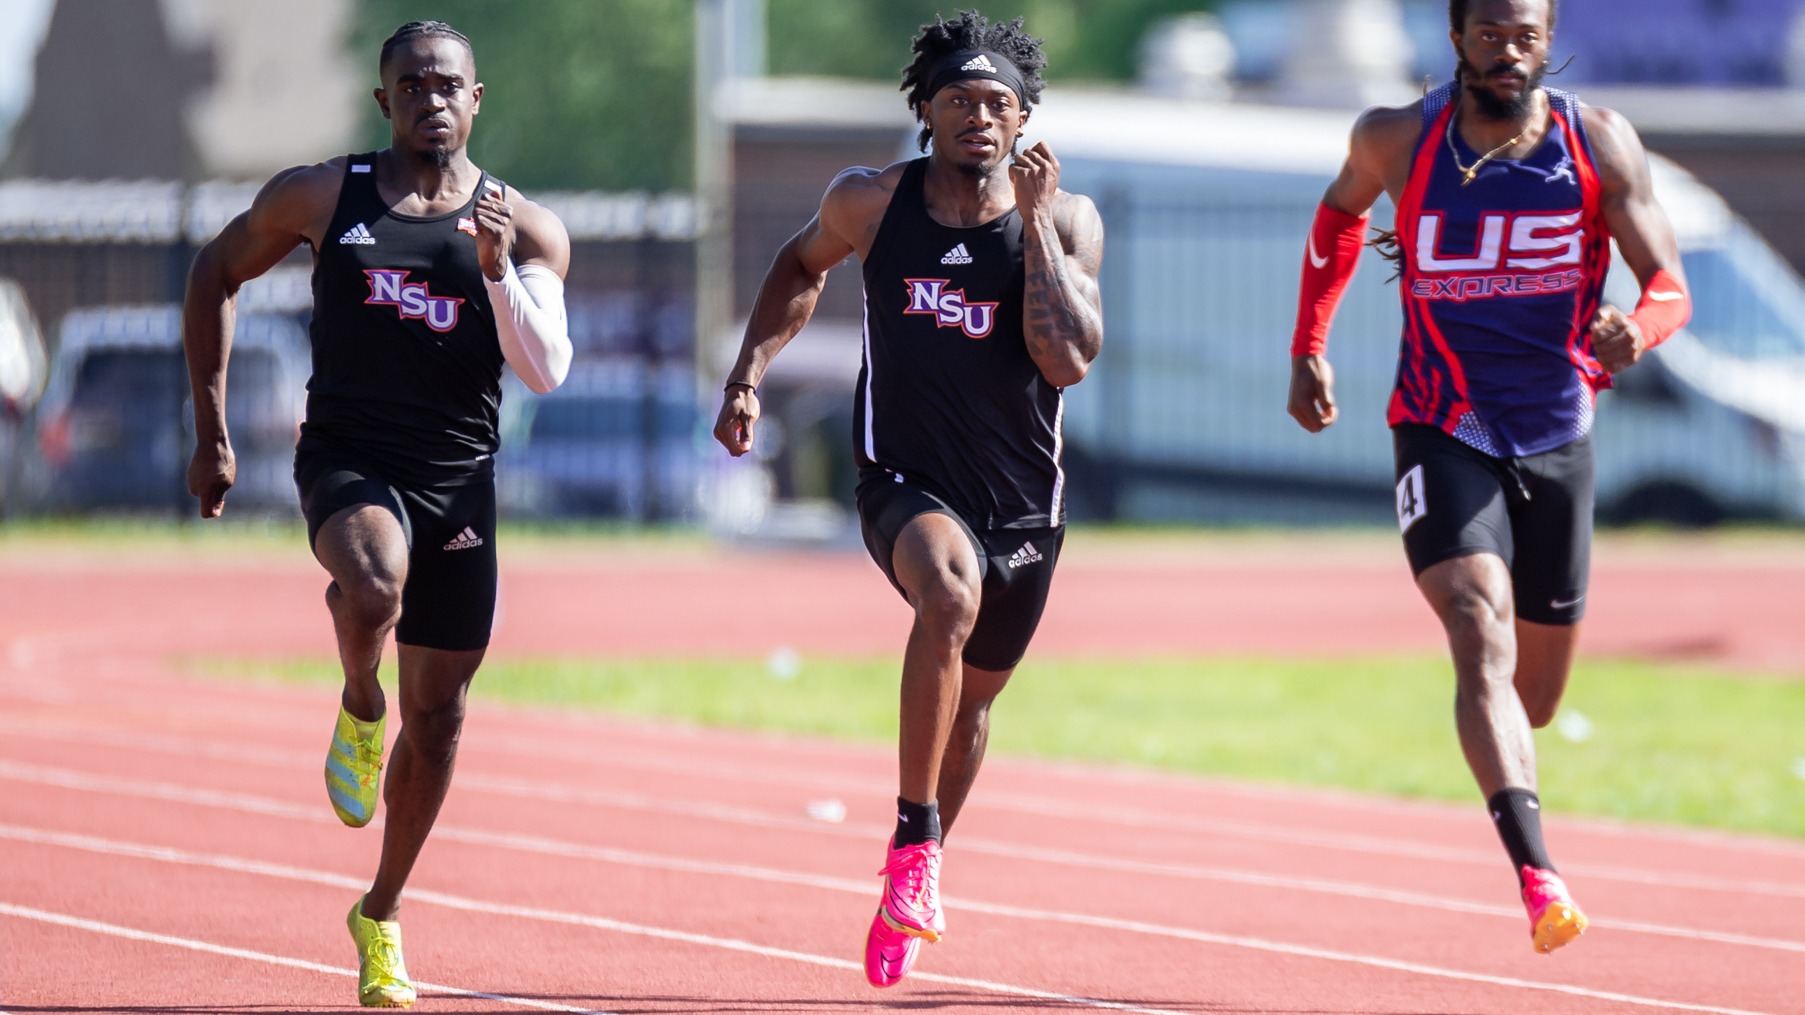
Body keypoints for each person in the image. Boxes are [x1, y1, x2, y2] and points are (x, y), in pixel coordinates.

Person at [1286, 0, 1690, 955]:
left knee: (1534, 695)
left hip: (1556, 432)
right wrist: (1309, 347)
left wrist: (1641, 329)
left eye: (1525, 35)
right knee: (1475, 624)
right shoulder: (1397, 139)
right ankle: (1537, 873)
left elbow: (1666, 280)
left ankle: (1509, 753)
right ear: (1457, 37)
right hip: (1440, 422)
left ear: (1547, 41)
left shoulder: (1597, 144)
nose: (1507, 52)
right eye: (1489, 33)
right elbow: (1339, 214)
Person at [182, 21, 572, 1007]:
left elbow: (545, 370)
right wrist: (212, 430)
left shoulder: (526, 226)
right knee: (371, 581)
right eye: (411, 83)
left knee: (438, 719)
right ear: (382, 100)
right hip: (350, 459)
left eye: (448, 84)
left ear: (476, 100)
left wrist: (491, 268)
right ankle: (361, 699)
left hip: (461, 483)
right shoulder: (323, 195)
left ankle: (381, 911)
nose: (431, 98)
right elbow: (213, 274)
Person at [712, 9, 1102, 989]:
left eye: (996, 104)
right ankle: (916, 839)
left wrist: (1034, 233)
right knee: (947, 597)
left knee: (973, 705)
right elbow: (797, 268)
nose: (977, 118)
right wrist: (747, 375)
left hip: (1023, 504)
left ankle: (905, 878)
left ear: (1023, 121)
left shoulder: (1065, 219)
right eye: (957, 101)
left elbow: (1068, 357)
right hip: (903, 480)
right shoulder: (871, 205)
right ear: (924, 112)